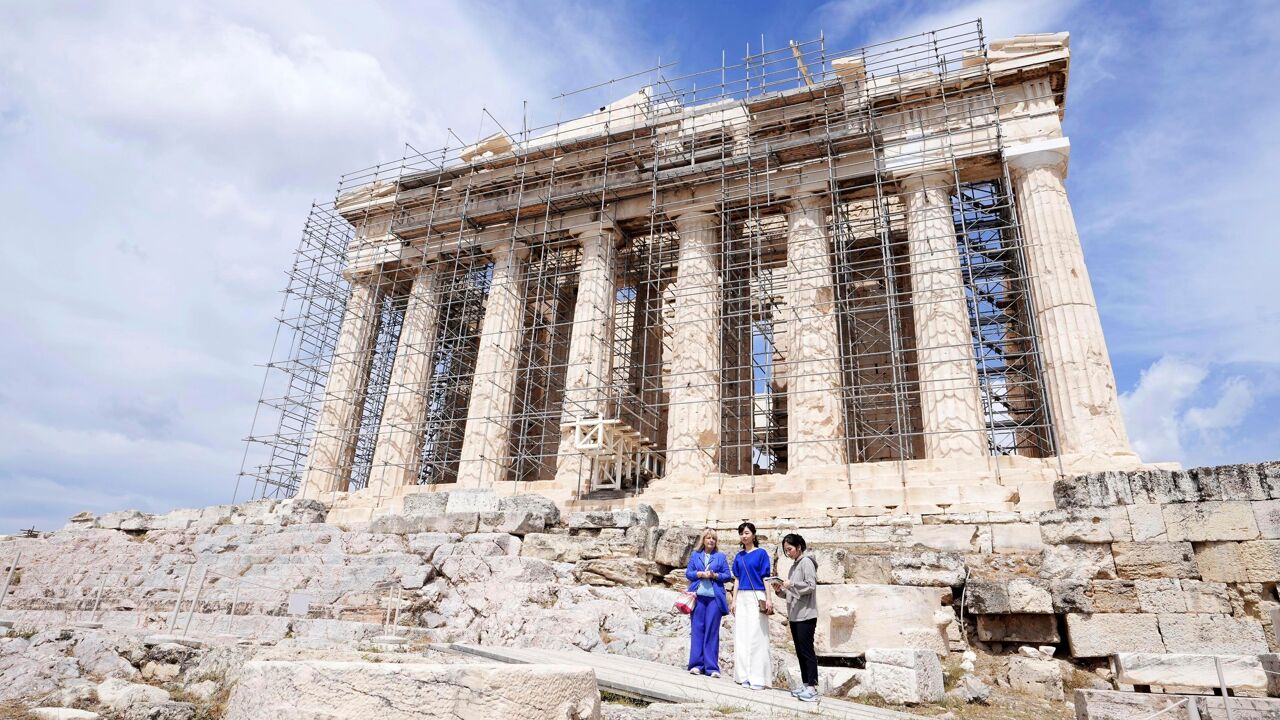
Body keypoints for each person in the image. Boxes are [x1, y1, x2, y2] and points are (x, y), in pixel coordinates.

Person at [771, 533, 819, 702]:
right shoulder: (794, 566)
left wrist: (792, 584)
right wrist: (779, 590)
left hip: (806, 614)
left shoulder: (806, 563)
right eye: (785, 551)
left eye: (789, 549)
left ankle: (812, 687)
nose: (788, 553)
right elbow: (793, 593)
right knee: (800, 651)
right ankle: (806, 684)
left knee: (807, 651)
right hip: (795, 615)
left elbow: (810, 586)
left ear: (799, 547)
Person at [730, 521, 773, 690]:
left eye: (747, 532)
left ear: (753, 535)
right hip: (742, 597)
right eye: (741, 533)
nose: (744, 536)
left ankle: (758, 678)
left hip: (757, 595)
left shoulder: (761, 554)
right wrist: (733, 601)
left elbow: (766, 577)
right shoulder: (739, 556)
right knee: (741, 636)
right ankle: (743, 676)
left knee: (757, 637)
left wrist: (768, 599)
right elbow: (737, 579)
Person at [684, 528, 731, 677]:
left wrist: (714, 575)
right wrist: (699, 574)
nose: (711, 540)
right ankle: (696, 665)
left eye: (714, 538)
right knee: (697, 630)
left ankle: (711, 668)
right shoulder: (695, 555)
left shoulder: (720, 556)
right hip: (698, 597)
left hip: (714, 599)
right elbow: (688, 573)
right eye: (708, 537)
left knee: (712, 631)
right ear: (703, 540)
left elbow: (727, 576)